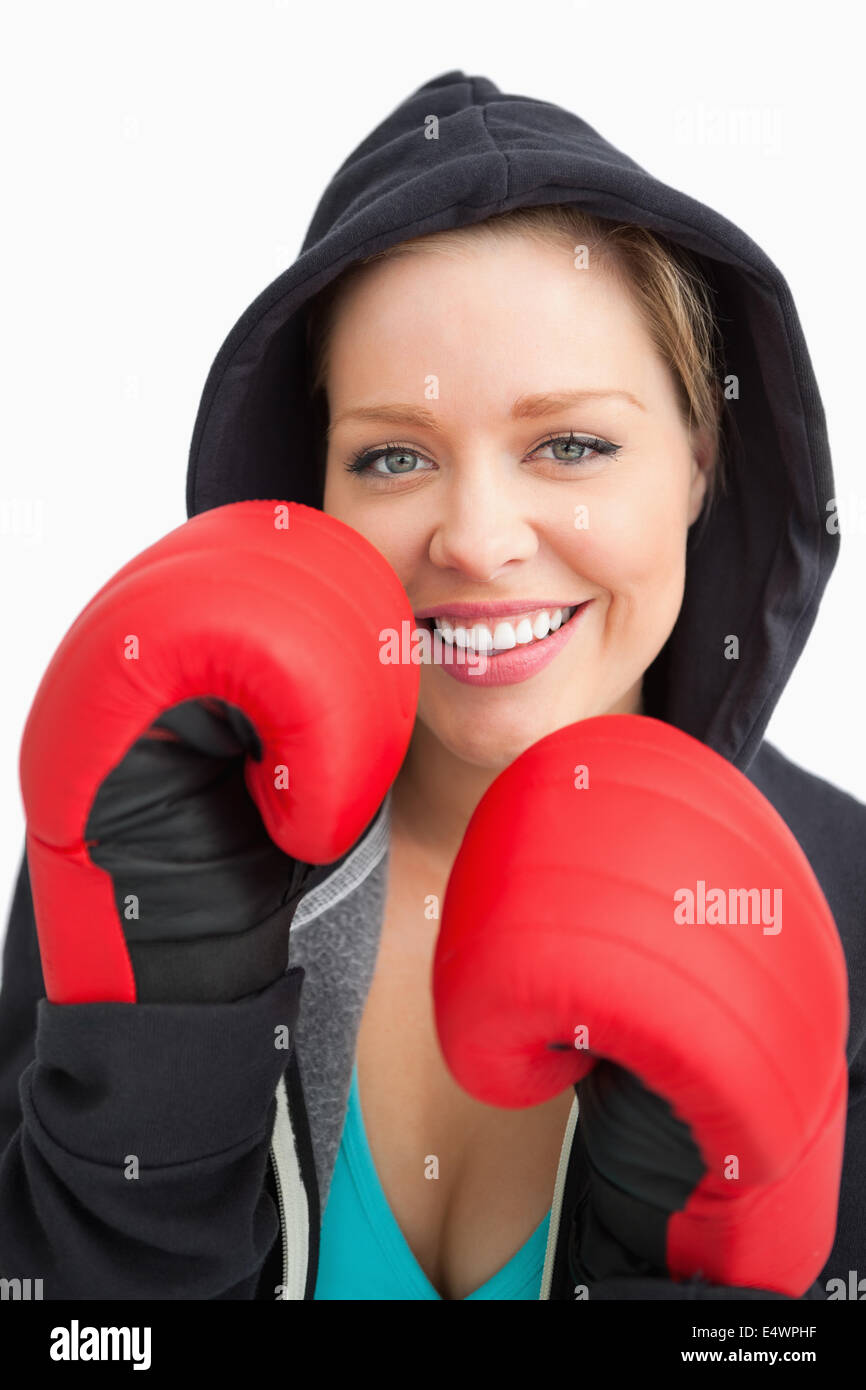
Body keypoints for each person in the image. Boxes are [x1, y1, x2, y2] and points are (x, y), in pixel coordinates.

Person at [0, 69, 863, 1302]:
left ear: (700, 462)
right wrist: (162, 1084)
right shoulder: (147, 833)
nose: (473, 538)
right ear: (313, 492)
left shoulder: (846, 909)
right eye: (393, 454)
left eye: (569, 442)